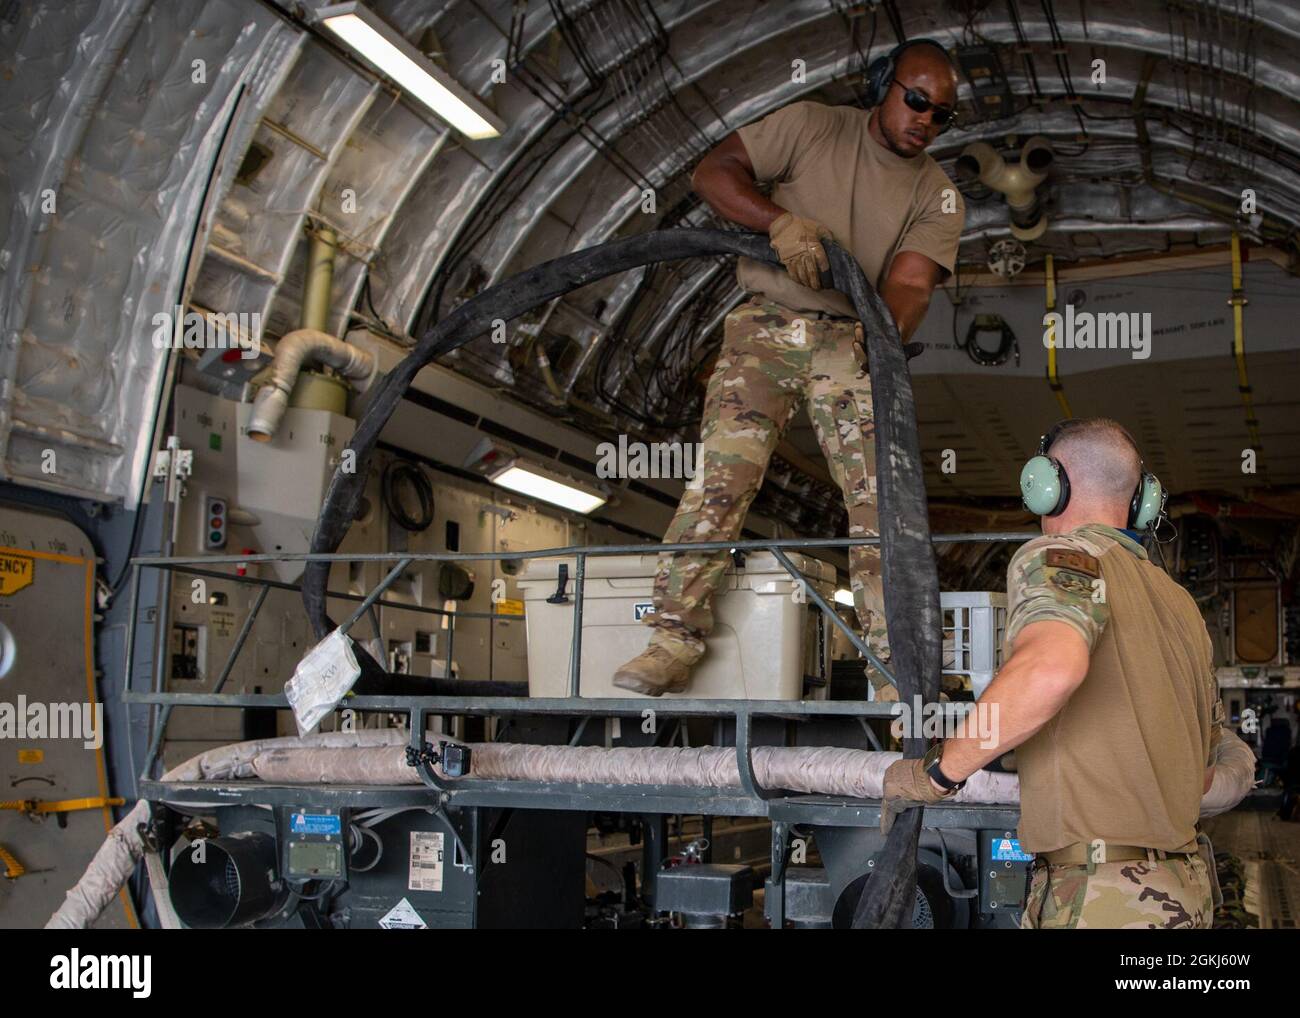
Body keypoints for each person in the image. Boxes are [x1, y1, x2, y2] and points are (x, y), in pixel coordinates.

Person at [612, 39, 966, 695]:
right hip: (767, 324)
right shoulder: (810, 125)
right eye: (915, 100)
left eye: (941, 114)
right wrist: (780, 225)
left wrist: (877, 338)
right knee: (723, 475)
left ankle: (898, 669)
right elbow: (714, 172)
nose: (925, 119)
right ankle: (671, 639)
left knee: (881, 499)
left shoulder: (939, 196)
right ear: (884, 85)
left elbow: (912, 285)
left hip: (851, 338)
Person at [881, 417, 1225, 929]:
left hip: (1104, 899)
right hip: (1185, 892)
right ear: (1141, 502)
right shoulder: (1180, 603)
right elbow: (1203, 772)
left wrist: (936, 772)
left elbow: (1051, 668)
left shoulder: (1060, 556)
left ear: (1046, 486)